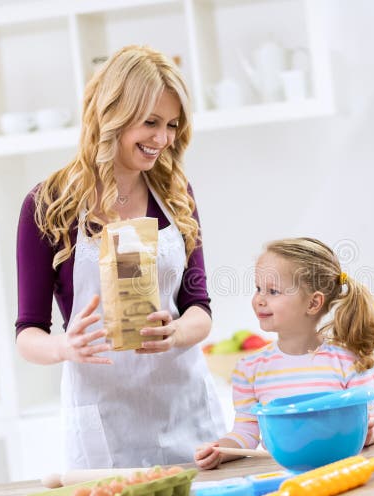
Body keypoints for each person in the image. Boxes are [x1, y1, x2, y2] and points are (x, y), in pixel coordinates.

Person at [15, 45, 224, 469]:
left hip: (186, 413)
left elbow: (199, 308)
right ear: (112, 113)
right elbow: (28, 334)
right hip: (105, 424)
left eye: (172, 125)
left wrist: (176, 333)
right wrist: (64, 347)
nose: (162, 139)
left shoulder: (175, 195)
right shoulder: (49, 204)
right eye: (150, 122)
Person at [194, 237, 374, 470]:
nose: (259, 300)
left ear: (313, 303)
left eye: (273, 291)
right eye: (258, 289)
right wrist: (221, 450)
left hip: (340, 472)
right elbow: (246, 432)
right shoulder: (249, 369)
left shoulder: (349, 361)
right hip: (281, 478)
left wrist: (371, 433)